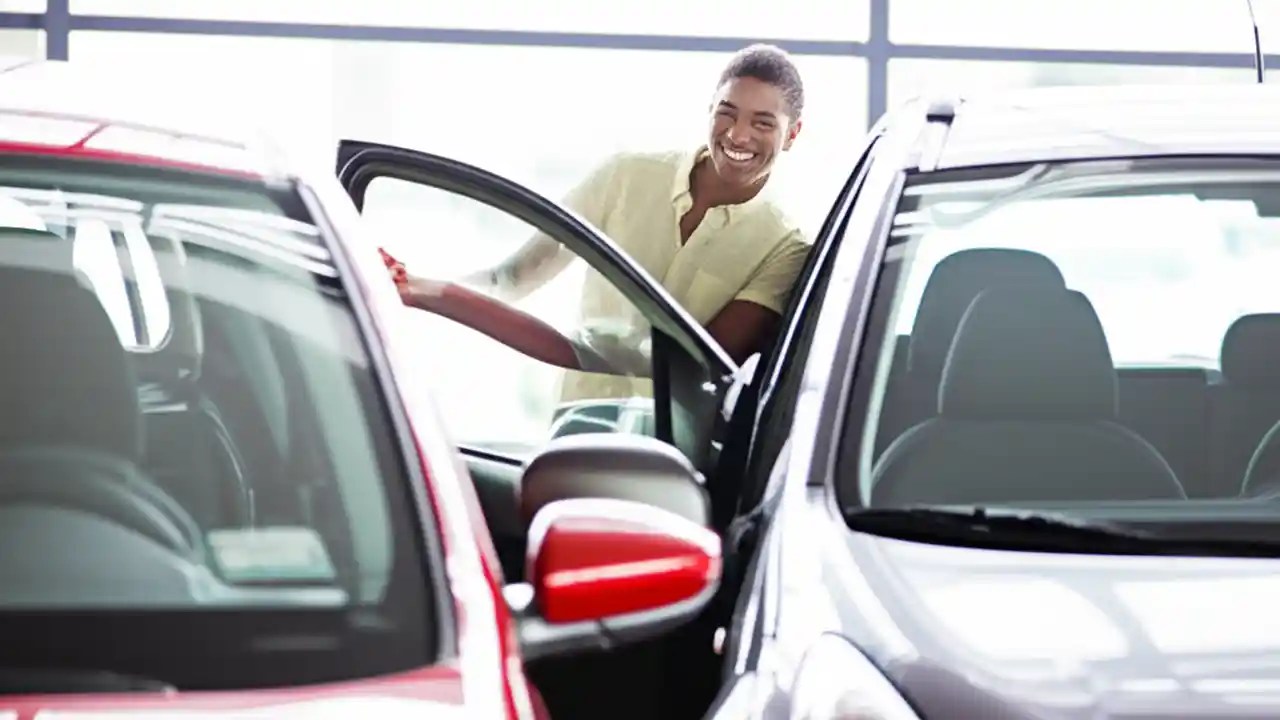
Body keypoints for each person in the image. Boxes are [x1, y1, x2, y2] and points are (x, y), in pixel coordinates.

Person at [387, 43, 811, 401]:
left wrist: (558, 345)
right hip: (577, 429)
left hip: (673, 455)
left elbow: (697, 363)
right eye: (727, 113)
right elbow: (511, 279)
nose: (737, 135)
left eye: (762, 123)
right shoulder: (625, 177)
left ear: (792, 135)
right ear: (710, 109)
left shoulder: (785, 248)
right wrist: (418, 285)